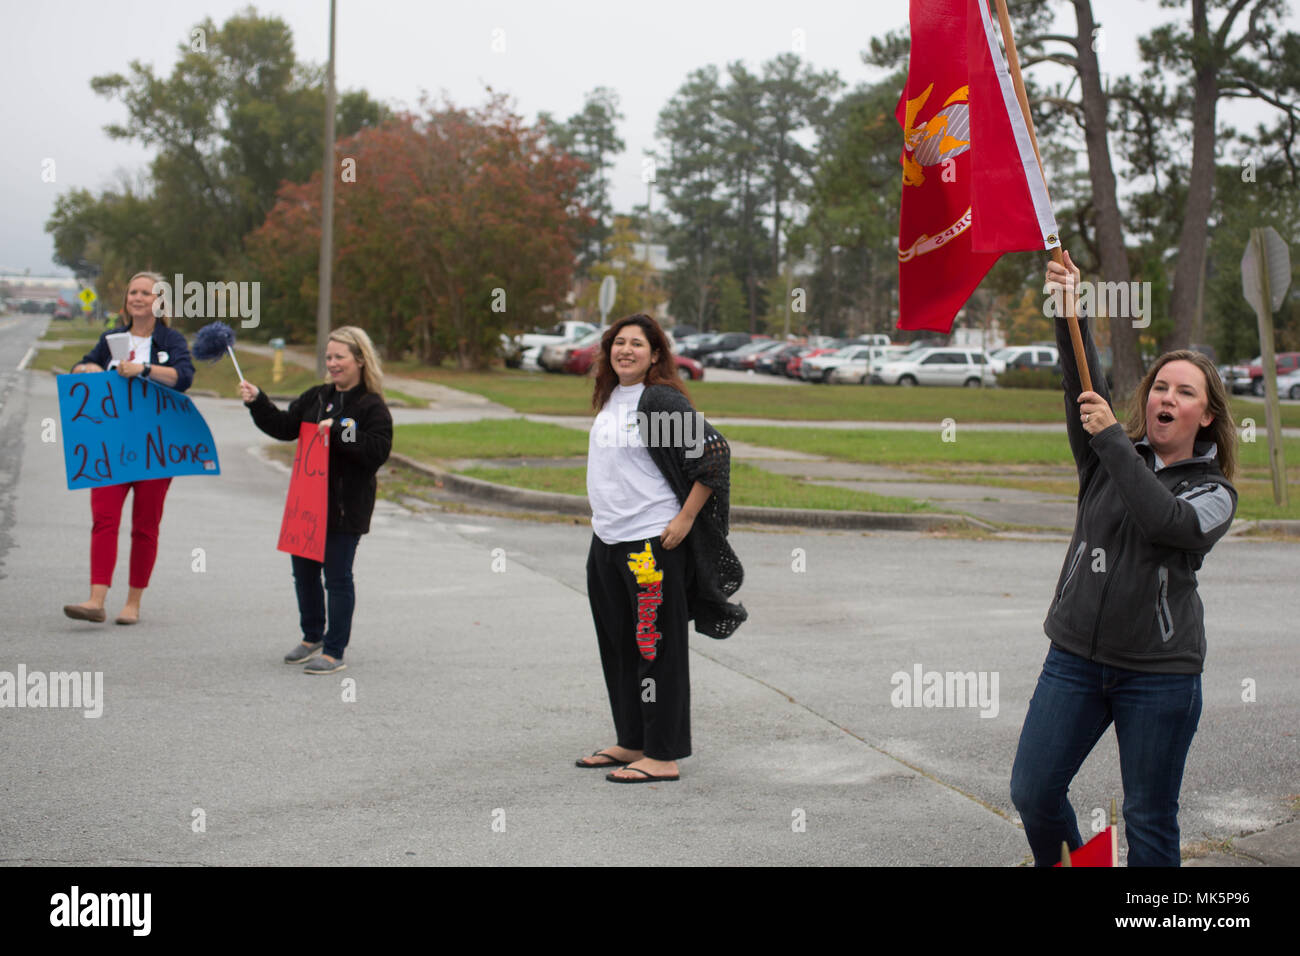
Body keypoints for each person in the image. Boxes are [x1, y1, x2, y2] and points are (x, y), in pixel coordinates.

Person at [1010, 251, 1238, 866]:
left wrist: (1113, 439)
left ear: (1205, 415)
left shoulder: (1214, 492)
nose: (1166, 396)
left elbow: (1166, 523)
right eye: (1160, 385)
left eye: (1183, 391)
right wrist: (1070, 309)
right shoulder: (1107, 456)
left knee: (1150, 822)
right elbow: (1080, 382)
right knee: (1033, 792)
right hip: (1074, 660)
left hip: (1159, 674)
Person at [576, 313, 746, 783]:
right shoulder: (613, 396)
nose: (625, 350)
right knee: (619, 645)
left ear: (655, 355)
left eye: (637, 344)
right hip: (607, 541)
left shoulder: (659, 400)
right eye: (618, 342)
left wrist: (685, 518)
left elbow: (713, 456)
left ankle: (663, 754)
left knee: (655, 648)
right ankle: (632, 740)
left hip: (648, 545)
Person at [238, 327, 393, 674]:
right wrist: (258, 401)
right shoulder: (316, 397)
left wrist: (337, 432)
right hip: (306, 505)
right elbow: (283, 426)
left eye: (340, 357)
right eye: (328, 357)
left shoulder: (370, 406)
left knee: (337, 578)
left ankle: (334, 650)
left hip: (344, 508)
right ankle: (312, 636)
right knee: (304, 575)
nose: (332, 363)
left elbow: (375, 451)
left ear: (360, 360)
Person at [63, 271, 195, 626]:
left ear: (160, 301)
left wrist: (146, 369)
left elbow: (184, 377)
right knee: (104, 519)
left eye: (145, 292)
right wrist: (86, 368)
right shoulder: (111, 338)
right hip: (110, 445)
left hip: (155, 447)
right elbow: (82, 365)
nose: (137, 297)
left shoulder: (172, 340)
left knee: (145, 525)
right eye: (132, 292)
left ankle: (133, 602)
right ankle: (96, 599)